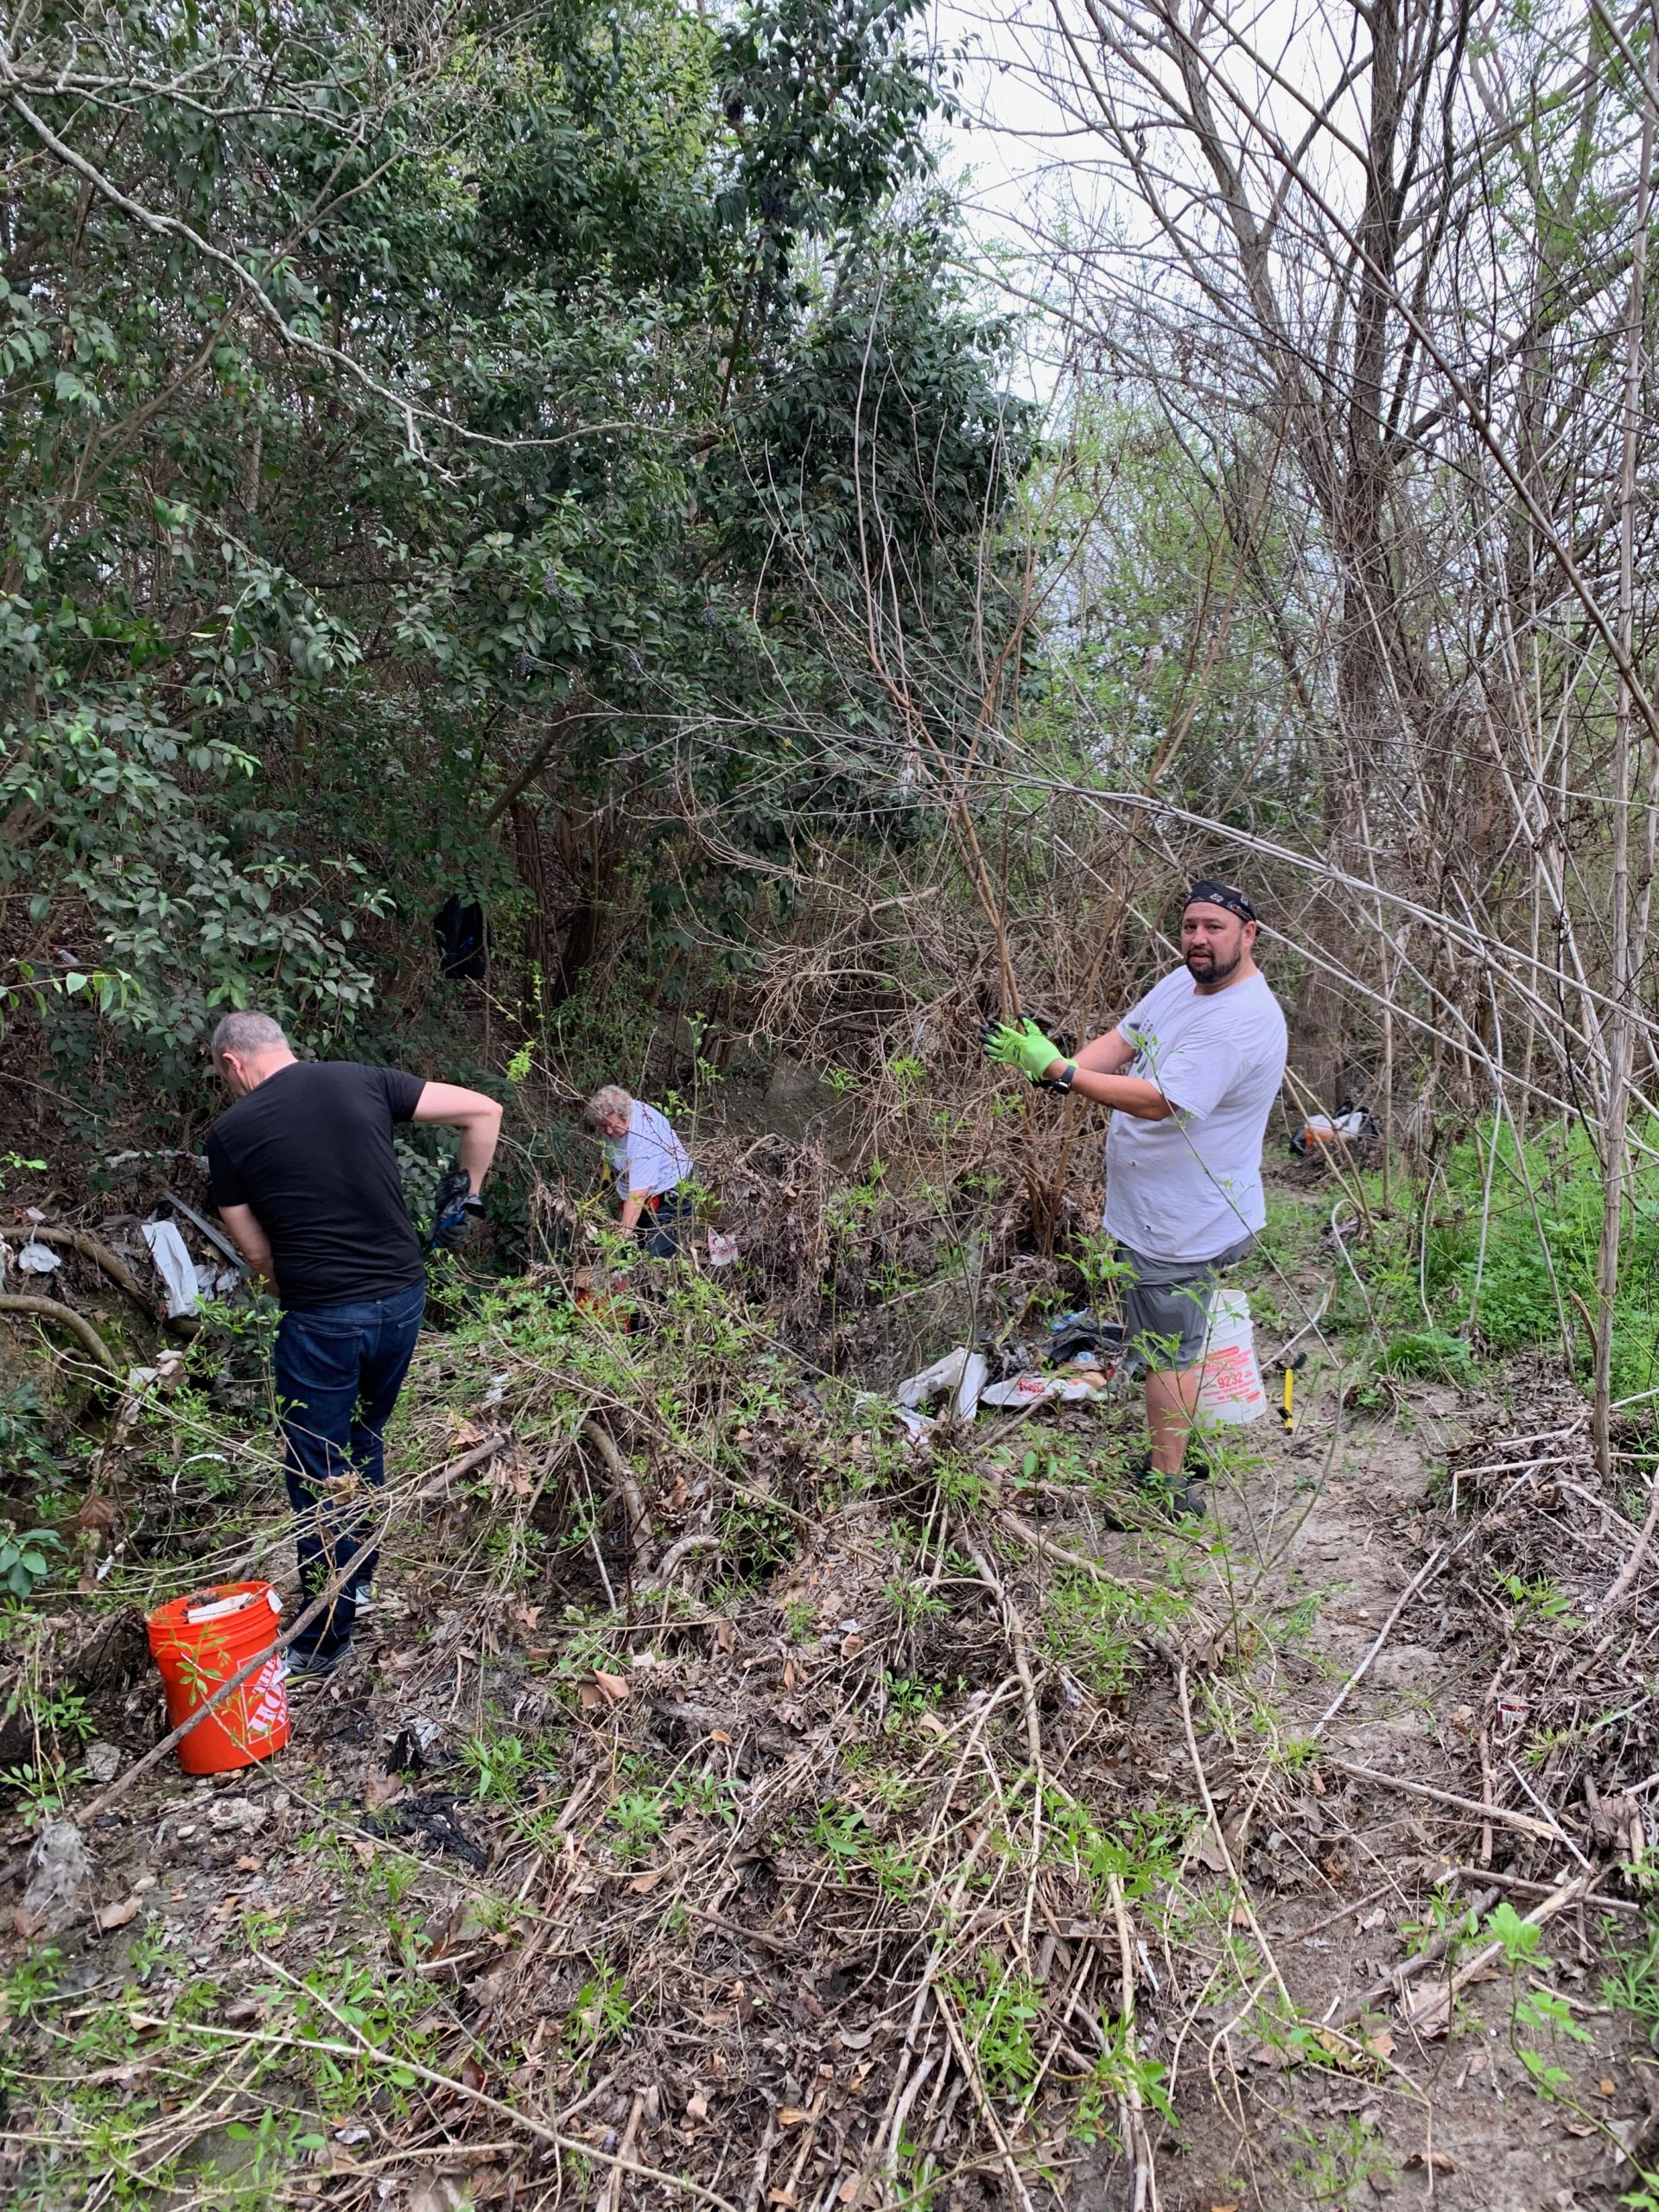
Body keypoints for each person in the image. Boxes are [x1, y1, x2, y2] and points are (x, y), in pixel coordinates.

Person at [206, 1012, 504, 1677]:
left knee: (314, 1468)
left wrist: (311, 1283)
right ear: (283, 1045)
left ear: (233, 1065)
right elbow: (485, 1110)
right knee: (366, 1437)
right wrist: (468, 1195)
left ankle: (324, 1634)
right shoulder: (363, 1080)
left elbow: (256, 1256)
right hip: (403, 1301)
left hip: (322, 1317)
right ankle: (360, 1580)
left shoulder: (229, 1136)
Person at [983, 880, 1287, 1516]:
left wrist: (1061, 1072)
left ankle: (1167, 1486)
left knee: (1165, 1353)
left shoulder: (1239, 1020)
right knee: (1172, 1338)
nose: (1199, 939)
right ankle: (1178, 1445)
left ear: (1249, 935)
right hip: (1153, 1211)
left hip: (1185, 1222)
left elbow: (1161, 1102)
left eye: (1215, 928)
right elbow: (1124, 1040)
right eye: (1190, 926)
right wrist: (1062, 1069)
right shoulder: (1187, 981)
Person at [584, 1084, 694, 1256]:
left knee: (654, 1258)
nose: (609, 1131)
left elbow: (637, 1197)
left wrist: (618, 1244)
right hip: (639, 1193)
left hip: (671, 1193)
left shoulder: (644, 1139)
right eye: (604, 1126)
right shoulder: (613, 1113)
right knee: (637, 1248)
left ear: (626, 1115)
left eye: (613, 1126)